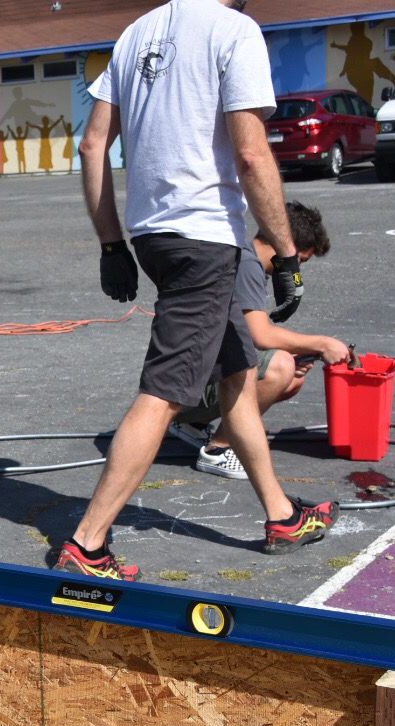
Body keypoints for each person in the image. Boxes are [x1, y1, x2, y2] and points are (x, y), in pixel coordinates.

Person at [57, 0, 335, 580]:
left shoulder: (136, 33)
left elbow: (91, 147)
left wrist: (112, 244)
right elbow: (252, 154)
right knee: (165, 392)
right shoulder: (234, 31)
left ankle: (282, 516)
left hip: (156, 234)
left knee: (237, 373)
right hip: (205, 236)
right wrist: (286, 254)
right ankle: (87, 544)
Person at [171, 201, 351, 480]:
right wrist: (322, 344)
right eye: (299, 262)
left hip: (190, 380)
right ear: (286, 247)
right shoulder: (247, 264)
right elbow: (260, 334)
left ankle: (193, 423)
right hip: (182, 388)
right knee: (279, 367)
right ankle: (217, 450)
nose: (297, 272)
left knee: (291, 376)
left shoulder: (249, 259)